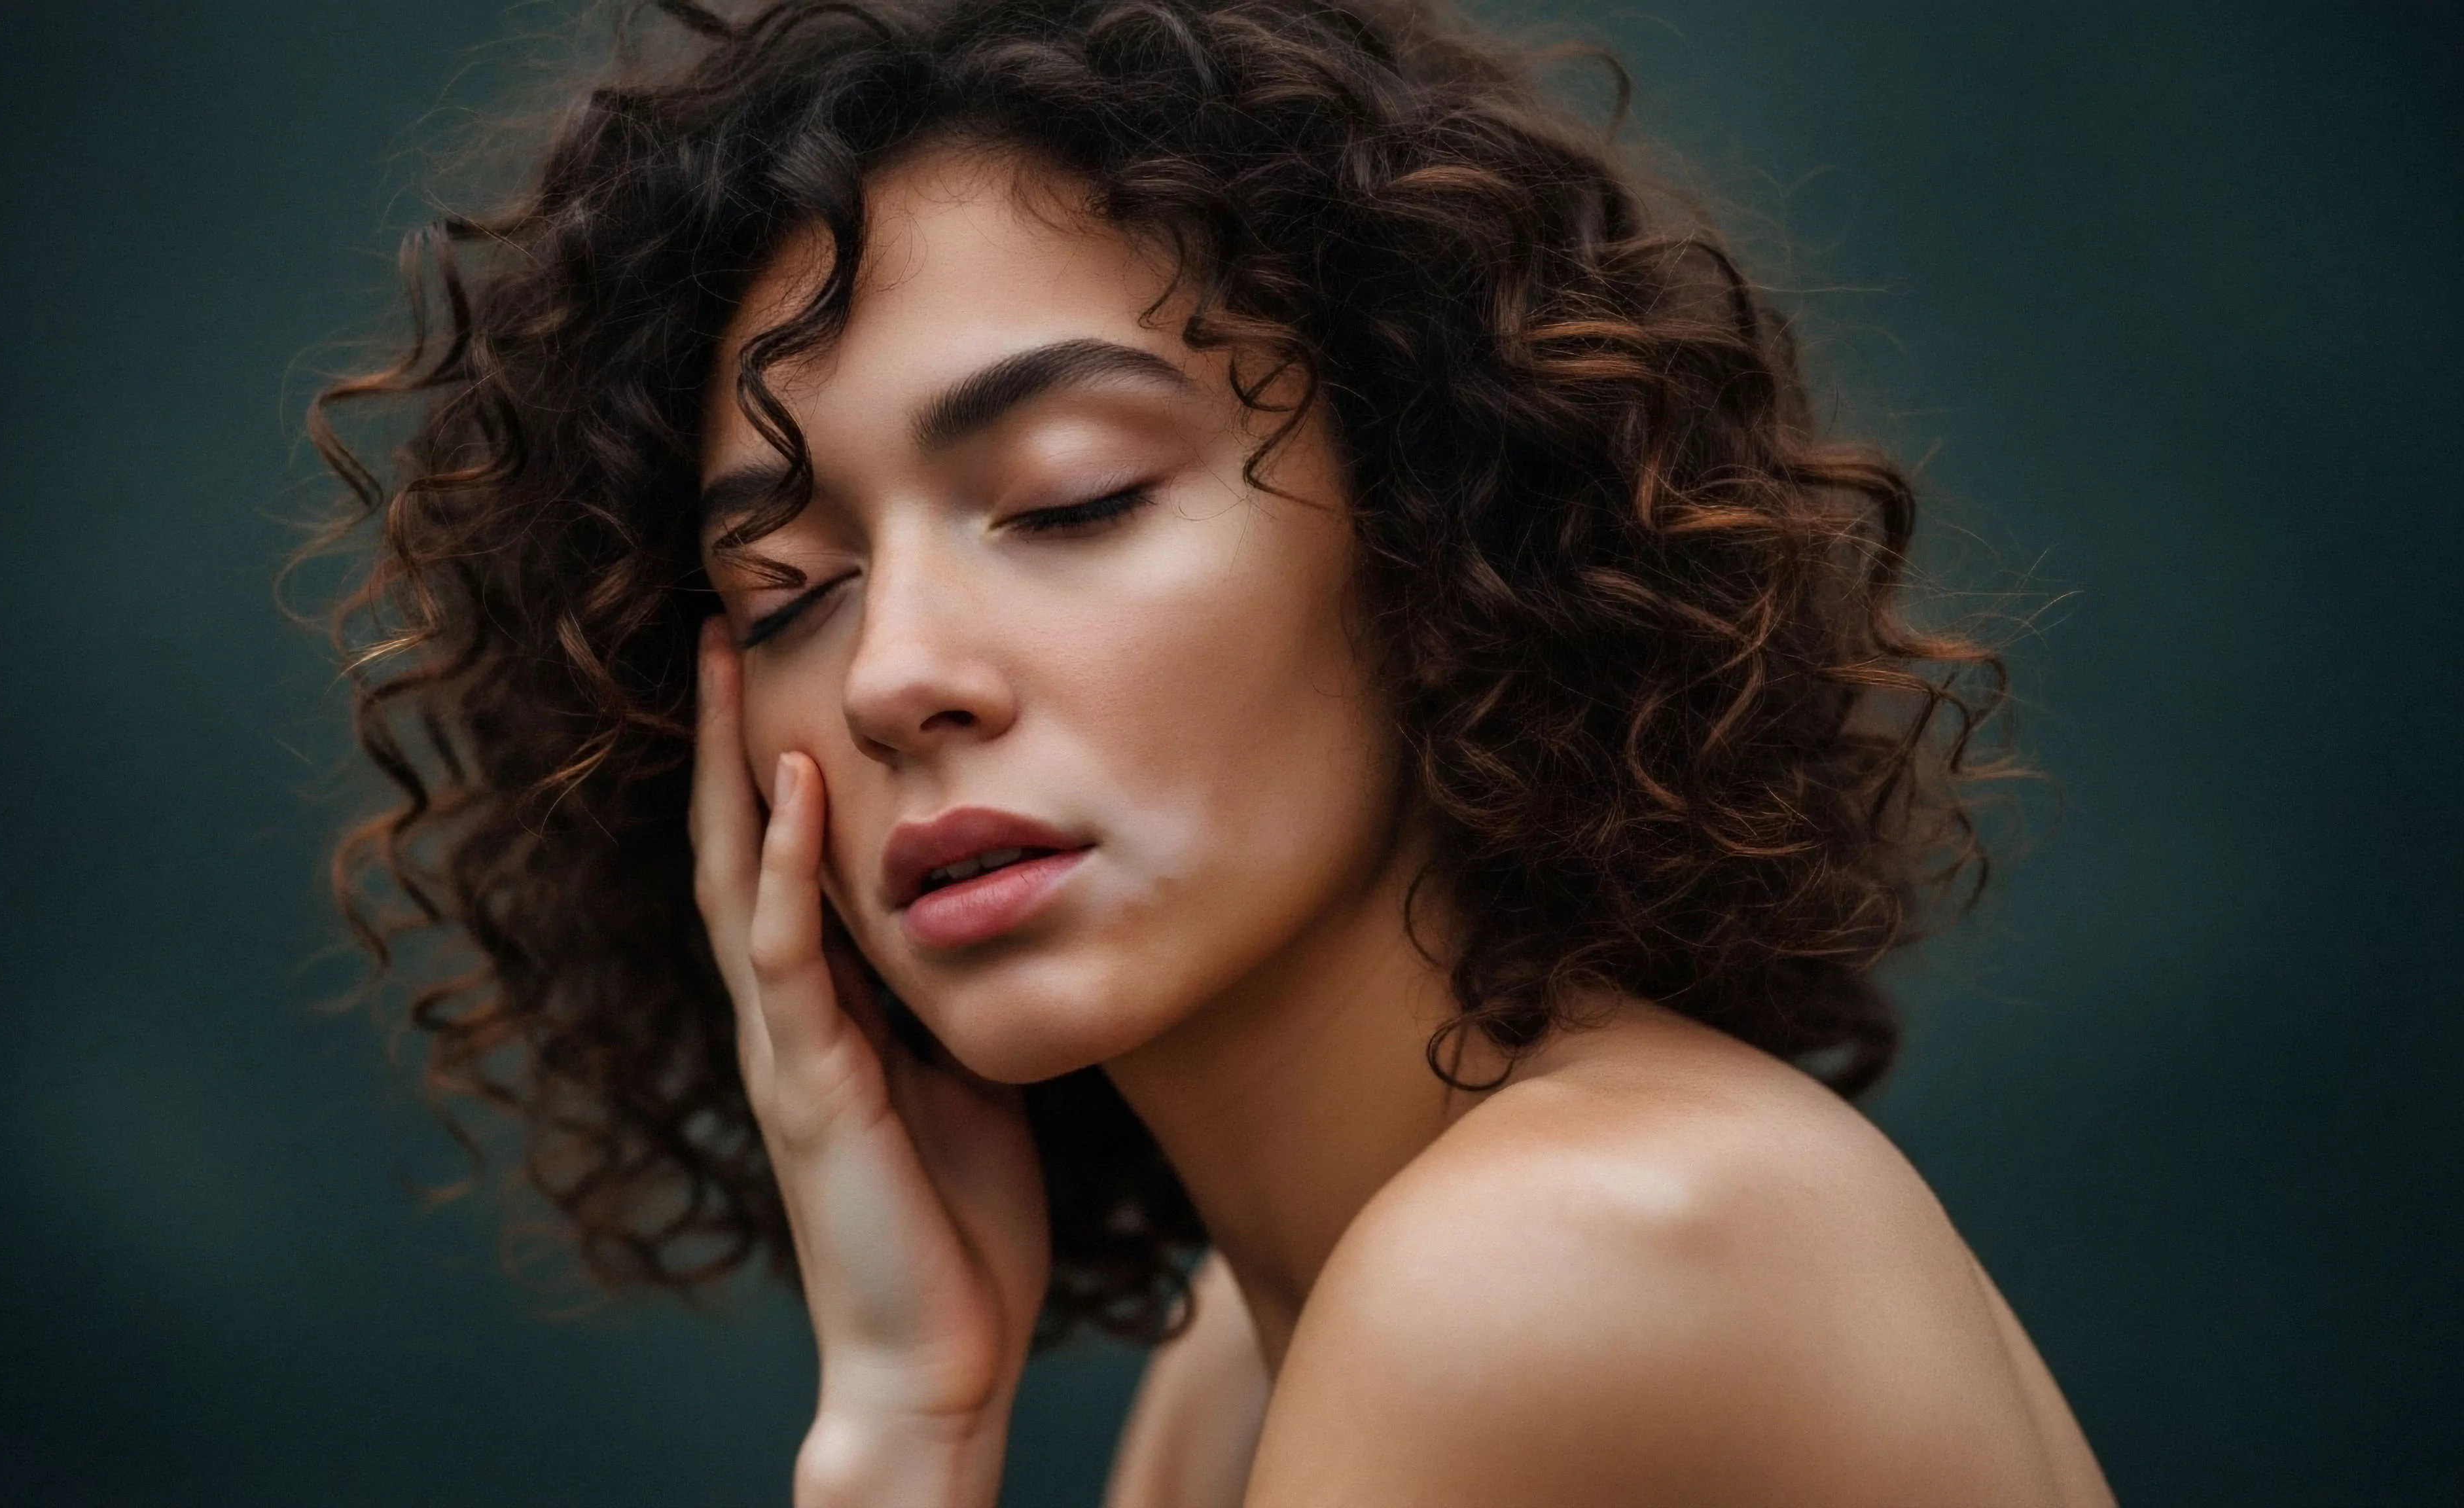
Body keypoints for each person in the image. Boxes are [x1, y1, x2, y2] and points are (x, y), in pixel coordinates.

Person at [307, 1, 2115, 1502]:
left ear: (1436, 527)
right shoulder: (1244, 1362)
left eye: (1069, 499)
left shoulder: (1562, 1261)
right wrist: (906, 1420)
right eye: (783, 593)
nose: (893, 677)